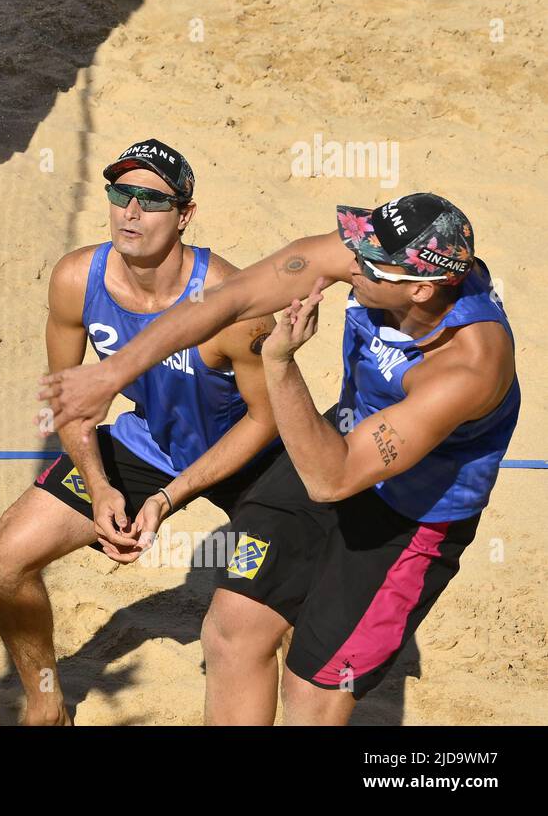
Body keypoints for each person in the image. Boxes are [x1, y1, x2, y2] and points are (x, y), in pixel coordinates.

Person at [41, 192, 519, 724]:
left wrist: (280, 363)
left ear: (420, 289)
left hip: (408, 516)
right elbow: (229, 299)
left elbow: (331, 480)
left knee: (310, 694)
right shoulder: (381, 259)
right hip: (335, 440)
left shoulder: (467, 366)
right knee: (233, 626)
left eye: (368, 262)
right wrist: (113, 372)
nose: (351, 261)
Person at [0, 139, 279, 725]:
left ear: (185, 215)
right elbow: (72, 403)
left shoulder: (232, 304)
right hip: (153, 440)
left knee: (272, 613)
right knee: (2, 559)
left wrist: (167, 498)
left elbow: (268, 419)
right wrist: (99, 486)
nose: (131, 211)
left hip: (252, 455)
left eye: (152, 199)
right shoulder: (76, 278)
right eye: (120, 194)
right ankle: (46, 707)